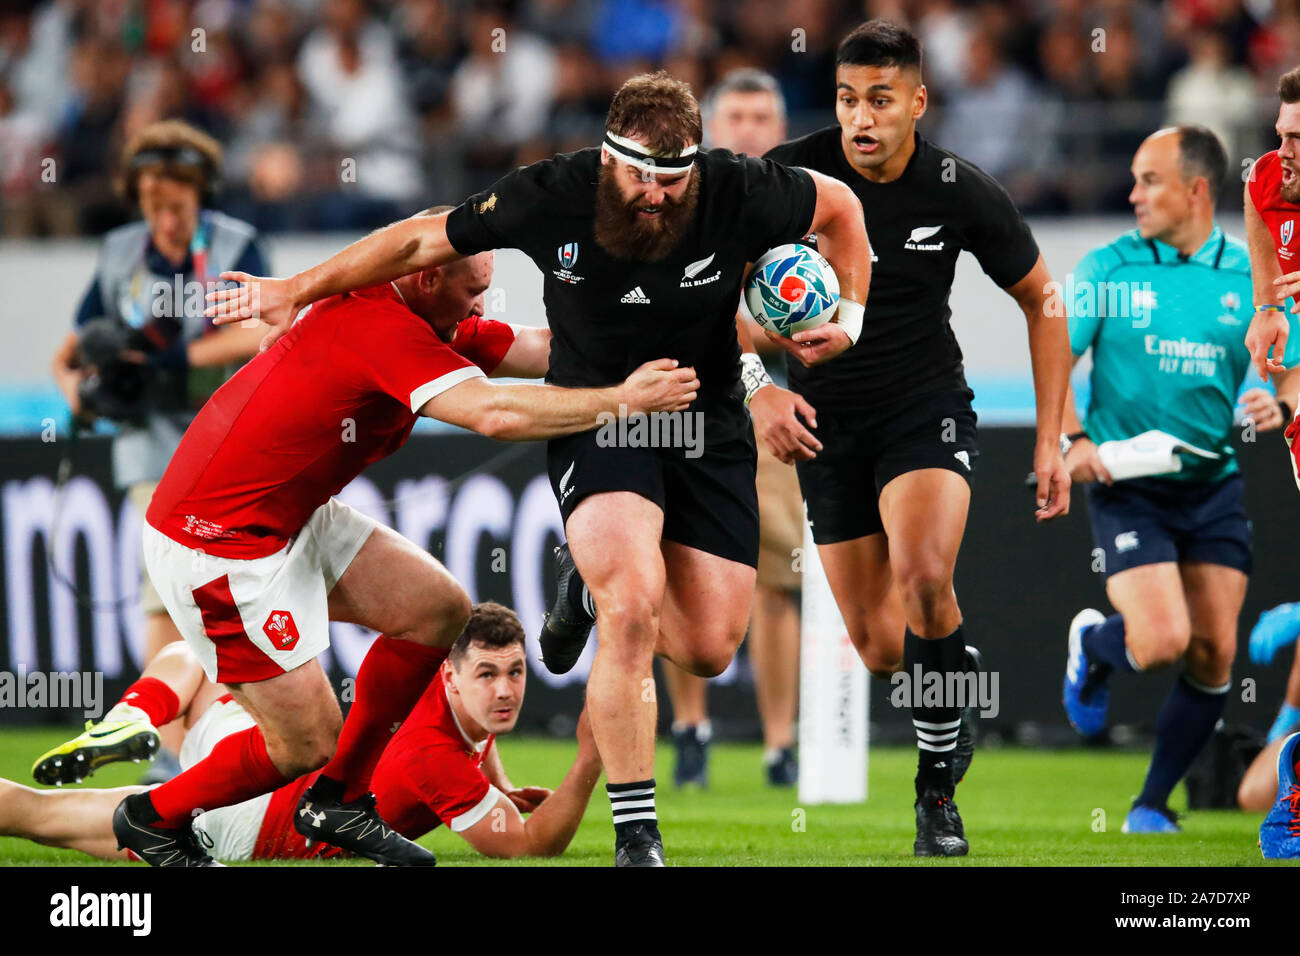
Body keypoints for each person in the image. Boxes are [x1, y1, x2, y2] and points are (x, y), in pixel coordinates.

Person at [204, 71, 873, 866]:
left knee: (706, 645)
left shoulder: (738, 188)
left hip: (706, 420)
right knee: (632, 606)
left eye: (673, 180)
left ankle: (580, 585)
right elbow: (422, 238)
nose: (657, 196)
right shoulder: (549, 193)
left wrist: (852, 320)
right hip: (600, 415)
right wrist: (296, 287)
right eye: (639, 178)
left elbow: (843, 209)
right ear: (607, 159)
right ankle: (637, 836)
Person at [113, 213, 697, 867]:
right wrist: (624, 400)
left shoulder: (429, 316)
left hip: (289, 516)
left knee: (437, 609)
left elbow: (540, 348)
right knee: (304, 742)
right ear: (423, 276)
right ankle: (150, 816)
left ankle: (337, 800)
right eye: (472, 293)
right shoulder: (378, 327)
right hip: (217, 539)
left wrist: (664, 319)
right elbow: (494, 412)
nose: (480, 307)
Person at [745, 20, 1071, 857]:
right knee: (886, 647)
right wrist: (759, 394)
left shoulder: (958, 188)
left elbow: (1045, 301)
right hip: (827, 428)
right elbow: (719, 298)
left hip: (925, 408)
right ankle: (952, 677)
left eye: (881, 101)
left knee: (926, 578)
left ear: (917, 103)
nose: (862, 117)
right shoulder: (791, 176)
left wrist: (1049, 438)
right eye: (850, 98)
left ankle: (935, 799)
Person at [1061, 125, 1300, 833]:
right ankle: (1092, 647)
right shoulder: (1108, 267)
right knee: (1163, 638)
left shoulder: (1246, 278)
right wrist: (1071, 439)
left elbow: (1286, 363)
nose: (1132, 194)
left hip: (1211, 482)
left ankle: (1150, 804)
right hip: (1128, 482)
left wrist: (1280, 400)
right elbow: (1057, 357)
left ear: (1197, 190)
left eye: (1149, 180)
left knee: (1213, 652)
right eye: (1133, 178)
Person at [13, 604, 603, 862]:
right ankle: (145, 735)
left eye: (515, 673)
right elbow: (529, 848)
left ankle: (136, 714)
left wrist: (502, 787)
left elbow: (477, 745)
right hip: (242, 818)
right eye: (488, 674)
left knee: (189, 650)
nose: (505, 690)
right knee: (43, 817)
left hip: (268, 754)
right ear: (450, 677)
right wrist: (589, 759)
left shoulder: (446, 694)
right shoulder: (434, 756)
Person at [49, 119, 268, 783]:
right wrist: (80, 396)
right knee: (163, 597)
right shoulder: (119, 253)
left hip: (223, 439)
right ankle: (165, 754)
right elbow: (69, 353)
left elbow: (260, 329)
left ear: (200, 195)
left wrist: (172, 361)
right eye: (152, 206)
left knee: (225, 595)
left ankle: (201, 743)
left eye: (175, 205)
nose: (165, 219)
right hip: (149, 448)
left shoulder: (236, 244)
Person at [659, 67, 804, 788]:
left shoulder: (797, 205)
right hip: (687, 410)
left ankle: (781, 745)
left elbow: (819, 318)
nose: (748, 129)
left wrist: (766, 328)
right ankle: (691, 729)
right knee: (676, 572)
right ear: (713, 129)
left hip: (769, 411)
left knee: (778, 581)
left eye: (761, 116)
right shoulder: (683, 203)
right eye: (736, 116)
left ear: (779, 128)